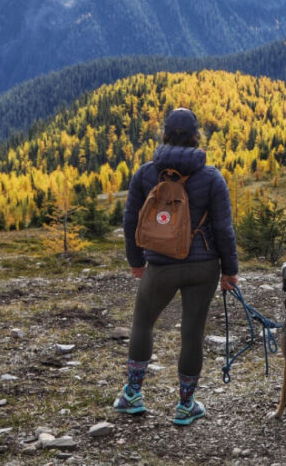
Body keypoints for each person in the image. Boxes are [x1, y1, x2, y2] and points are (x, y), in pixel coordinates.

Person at [115, 107, 239, 425]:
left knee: (143, 323)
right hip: (203, 267)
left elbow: (131, 221)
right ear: (196, 135)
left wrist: (136, 261)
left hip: (160, 265)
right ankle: (185, 405)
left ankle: (132, 394)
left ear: (165, 134)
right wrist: (229, 271)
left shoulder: (146, 173)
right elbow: (224, 228)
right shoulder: (211, 177)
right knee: (192, 333)